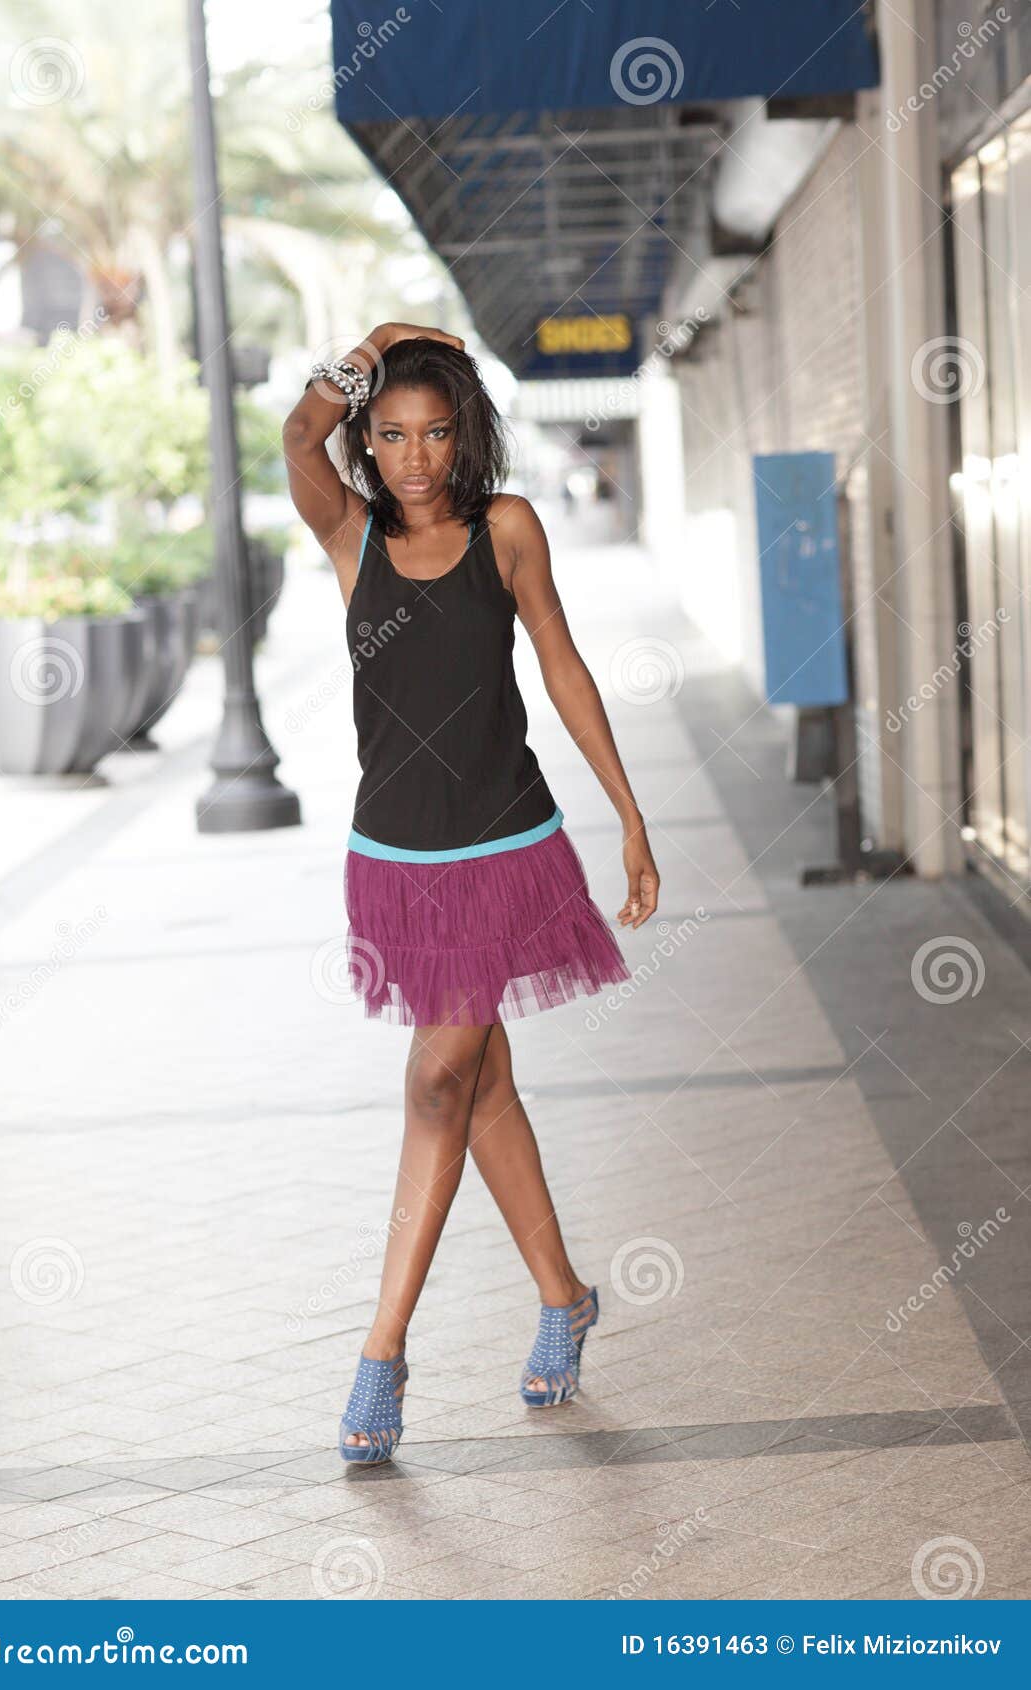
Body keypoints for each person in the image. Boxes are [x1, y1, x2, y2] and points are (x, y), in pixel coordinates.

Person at [282, 323, 660, 1464]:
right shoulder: (349, 536)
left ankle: (381, 1353)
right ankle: (563, 1295)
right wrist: (368, 350)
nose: (411, 457)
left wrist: (631, 816)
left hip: (504, 843)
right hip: (396, 859)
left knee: (435, 1073)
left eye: (433, 432)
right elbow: (298, 433)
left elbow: (559, 662)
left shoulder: (506, 529)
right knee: (480, 1082)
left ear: (463, 435)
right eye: (389, 434)